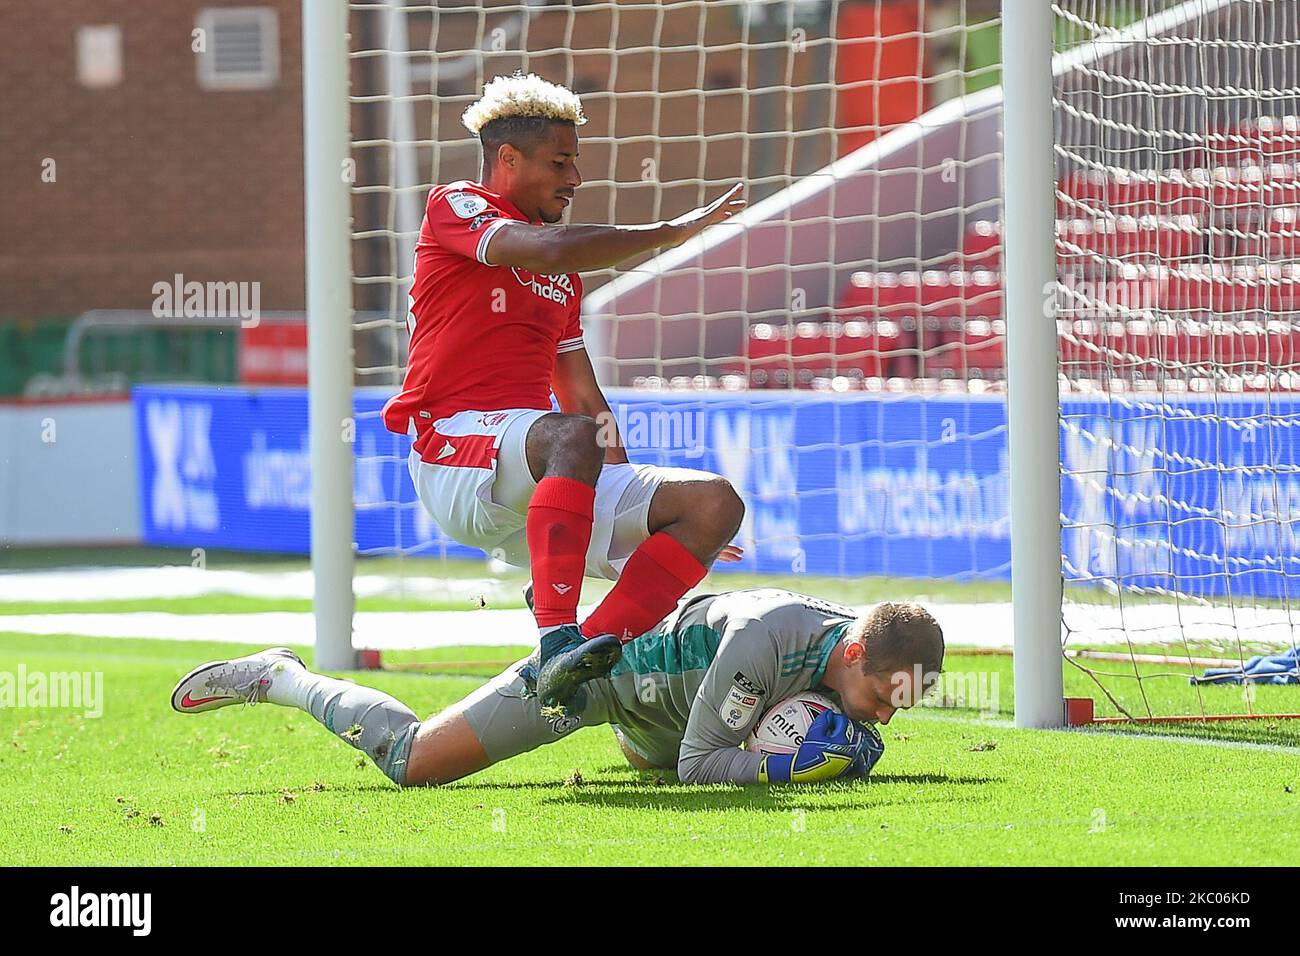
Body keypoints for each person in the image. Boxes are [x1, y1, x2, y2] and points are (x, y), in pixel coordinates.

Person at [382, 71, 750, 712]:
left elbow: (582, 399)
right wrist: (671, 231)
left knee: (713, 505)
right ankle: (556, 635)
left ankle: (582, 661)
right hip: (453, 452)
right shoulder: (456, 206)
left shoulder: (563, 283)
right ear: (507, 158)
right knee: (571, 436)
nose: (575, 178)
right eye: (560, 162)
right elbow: (550, 251)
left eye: (575, 161)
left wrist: (635, 499)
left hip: (536, 465)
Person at [170, 590, 945, 786]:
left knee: (660, 752)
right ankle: (286, 677)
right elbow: (700, 766)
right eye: (882, 698)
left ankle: (640, 734)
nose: (884, 718)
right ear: (851, 650)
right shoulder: (764, 640)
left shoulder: (858, 651)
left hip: (671, 712)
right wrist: (787, 770)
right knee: (412, 761)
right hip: (594, 685)